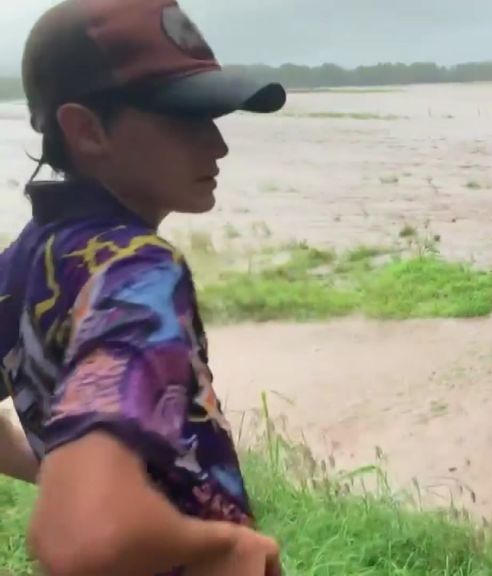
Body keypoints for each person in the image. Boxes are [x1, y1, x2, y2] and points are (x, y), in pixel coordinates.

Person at [0, 1, 288, 574]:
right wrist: (227, 547)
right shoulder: (140, 271)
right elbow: (78, 532)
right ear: (85, 131)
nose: (218, 145)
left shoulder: (27, 258)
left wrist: (57, 465)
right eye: (184, 119)